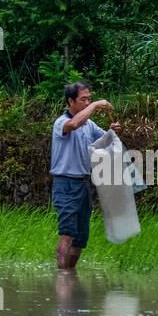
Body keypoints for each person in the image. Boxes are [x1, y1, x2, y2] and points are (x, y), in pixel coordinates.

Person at [50, 81, 120, 270]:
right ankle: (61, 278)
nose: (88, 103)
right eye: (84, 100)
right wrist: (96, 105)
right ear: (71, 101)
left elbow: (105, 142)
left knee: (80, 239)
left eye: (90, 99)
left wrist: (113, 131)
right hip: (65, 184)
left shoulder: (89, 125)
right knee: (67, 233)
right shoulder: (61, 122)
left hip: (83, 184)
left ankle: (68, 275)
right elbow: (73, 124)